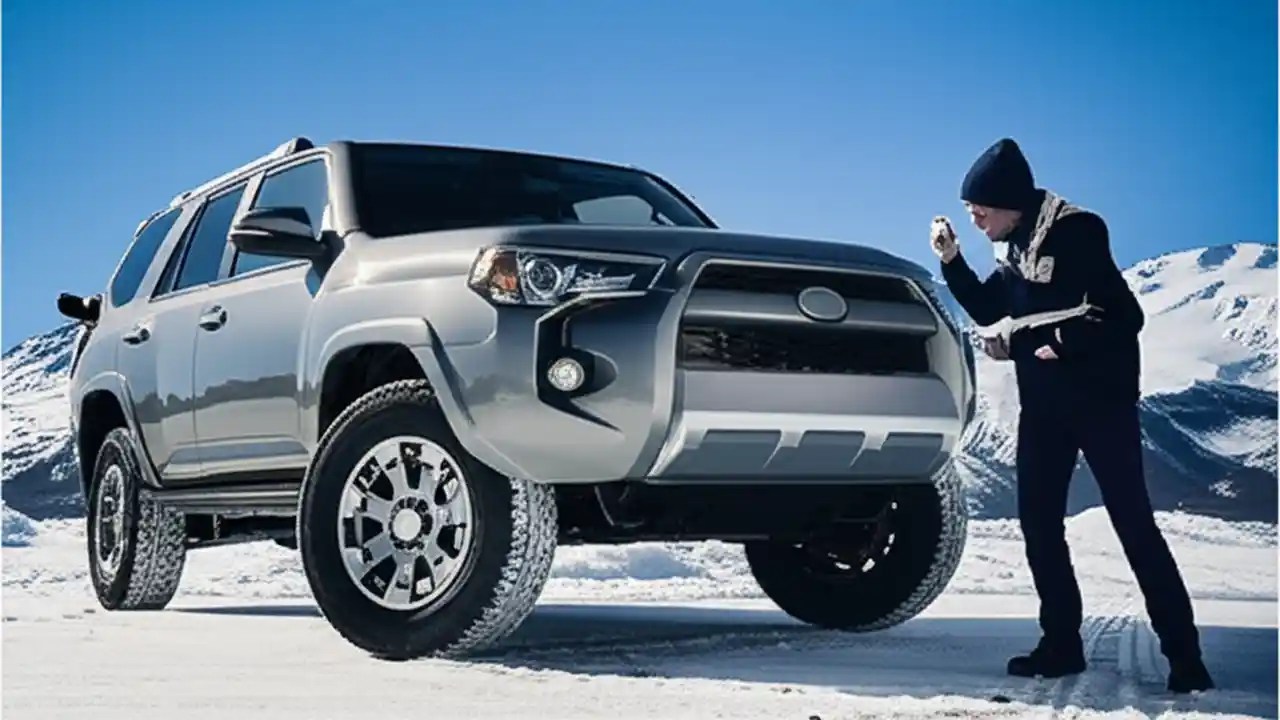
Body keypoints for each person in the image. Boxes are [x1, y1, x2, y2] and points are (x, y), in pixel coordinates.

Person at [930, 138, 1214, 694]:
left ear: (1009, 200)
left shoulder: (1078, 230)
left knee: (1134, 525)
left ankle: (1186, 657)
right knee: (1038, 525)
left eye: (979, 210)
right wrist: (951, 260)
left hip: (1099, 403)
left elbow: (1122, 316)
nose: (975, 219)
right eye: (969, 213)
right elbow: (995, 308)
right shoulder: (1012, 249)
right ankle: (1060, 645)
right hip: (1044, 407)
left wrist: (1058, 340)